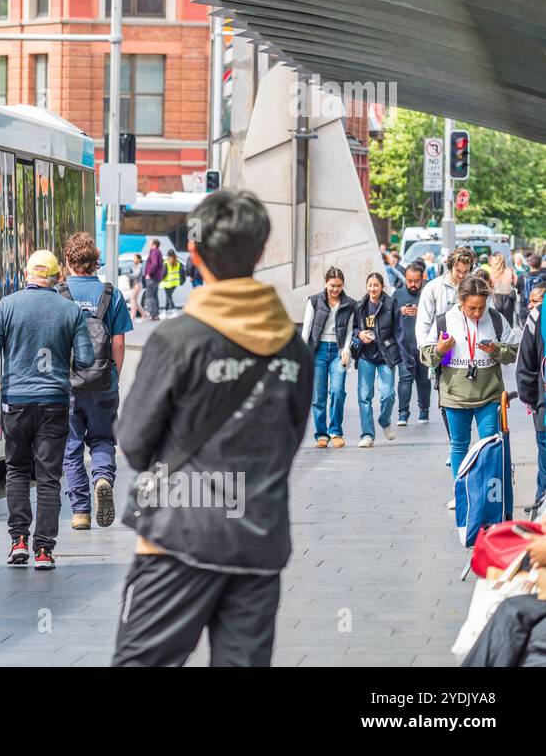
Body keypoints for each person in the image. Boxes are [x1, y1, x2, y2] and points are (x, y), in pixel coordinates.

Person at [112, 190, 313, 667]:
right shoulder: (293, 349)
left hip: (178, 536)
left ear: (195, 253)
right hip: (259, 540)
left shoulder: (177, 341)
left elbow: (135, 445)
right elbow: (289, 440)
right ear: (261, 252)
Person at [0, 249, 93, 571]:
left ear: (27, 275)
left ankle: (18, 541)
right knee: (49, 478)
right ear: (57, 278)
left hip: (16, 403)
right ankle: (44, 550)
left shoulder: (7, 306)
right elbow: (86, 360)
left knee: (16, 470)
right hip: (53, 403)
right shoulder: (71, 311)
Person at [58, 232, 133, 530]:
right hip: (103, 383)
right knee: (102, 439)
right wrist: (114, 374)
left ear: (69, 260)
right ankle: (102, 478)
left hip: (69, 384)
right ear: (94, 262)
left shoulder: (59, 293)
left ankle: (80, 512)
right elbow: (119, 343)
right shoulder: (110, 294)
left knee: (71, 446)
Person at [420, 276, 517, 499]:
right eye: (471, 308)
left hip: (489, 393)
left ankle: (489, 495)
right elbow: (426, 357)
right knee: (459, 445)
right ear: (460, 301)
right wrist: (440, 349)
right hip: (455, 394)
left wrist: (496, 350)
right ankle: (461, 492)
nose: (476, 313)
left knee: (489, 445)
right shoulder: (444, 320)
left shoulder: (495, 318)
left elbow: (512, 353)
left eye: (481, 308)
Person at [301, 267, 355, 448]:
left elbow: (349, 330)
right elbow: (306, 330)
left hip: (338, 352)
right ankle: (321, 434)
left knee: (338, 391)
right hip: (318, 351)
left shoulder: (349, 304)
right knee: (319, 395)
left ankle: (336, 431)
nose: (335, 289)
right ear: (326, 283)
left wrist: (346, 349)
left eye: (339, 286)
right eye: (332, 285)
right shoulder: (314, 301)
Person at [351, 272, 404, 447]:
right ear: (366, 286)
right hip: (366, 355)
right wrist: (359, 333)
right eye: (370, 285)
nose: (372, 288)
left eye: (376, 285)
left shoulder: (390, 303)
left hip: (385, 355)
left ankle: (384, 420)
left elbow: (398, 329)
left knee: (388, 394)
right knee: (364, 396)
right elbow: (352, 329)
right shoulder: (360, 305)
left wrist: (399, 351)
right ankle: (367, 435)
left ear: (382, 287)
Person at [516, 288, 546, 509]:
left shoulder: (538, 315)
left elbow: (525, 363)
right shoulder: (537, 315)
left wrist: (531, 399)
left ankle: (541, 505)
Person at [393, 261, 431, 427]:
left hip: (423, 346)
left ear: (422, 279)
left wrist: (420, 312)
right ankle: (403, 413)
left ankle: (424, 409)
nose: (413, 284)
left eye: (416, 281)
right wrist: (399, 312)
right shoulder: (397, 295)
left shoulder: (427, 294)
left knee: (423, 380)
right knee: (405, 379)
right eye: (409, 281)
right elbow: (388, 318)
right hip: (404, 346)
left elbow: (438, 315)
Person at [417, 246, 475, 347]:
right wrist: (424, 348)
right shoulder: (433, 287)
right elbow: (423, 322)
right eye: (458, 271)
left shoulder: (475, 288)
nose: (461, 275)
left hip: (468, 347)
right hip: (442, 345)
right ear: (450, 266)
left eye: (465, 272)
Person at [487, 252, 518, 327]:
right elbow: (516, 283)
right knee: (508, 323)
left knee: (496, 323)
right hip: (509, 298)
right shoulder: (510, 271)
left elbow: (489, 286)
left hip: (496, 298)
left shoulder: (492, 273)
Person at [520, 254, 546, 325]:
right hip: (541, 309)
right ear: (540, 264)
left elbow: (518, 289)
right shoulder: (544, 276)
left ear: (529, 263)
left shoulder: (523, 276)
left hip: (525, 308)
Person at [142, 239, 164, 321]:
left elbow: (154, 263)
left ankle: (153, 314)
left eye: (150, 243)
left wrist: (149, 274)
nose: (148, 244)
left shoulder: (154, 251)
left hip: (152, 278)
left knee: (150, 296)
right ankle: (155, 315)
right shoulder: (158, 251)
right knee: (154, 295)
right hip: (156, 278)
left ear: (154, 244)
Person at [161, 249, 184, 314]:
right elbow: (181, 273)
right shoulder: (177, 262)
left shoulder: (166, 263)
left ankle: (174, 310)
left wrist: (160, 279)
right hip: (174, 282)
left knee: (169, 297)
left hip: (167, 282)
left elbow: (164, 273)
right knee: (168, 297)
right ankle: (165, 311)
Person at [128, 253, 149, 321]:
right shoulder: (134, 265)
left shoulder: (140, 266)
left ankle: (133, 316)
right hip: (135, 284)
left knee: (133, 299)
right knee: (134, 301)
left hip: (138, 284)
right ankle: (144, 314)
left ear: (139, 259)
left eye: (135, 258)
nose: (134, 259)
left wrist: (128, 275)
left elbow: (136, 275)